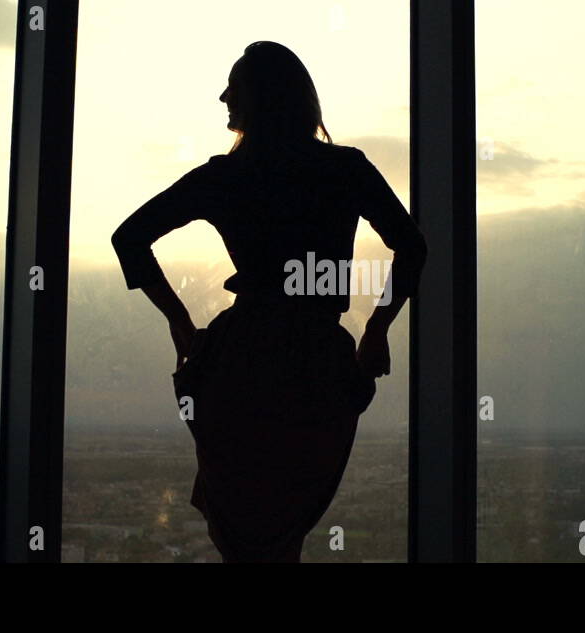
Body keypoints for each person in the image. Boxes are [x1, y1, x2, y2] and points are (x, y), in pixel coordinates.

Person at [111, 41, 427, 562]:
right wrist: (377, 328)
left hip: (240, 364)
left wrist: (179, 320)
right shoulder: (344, 169)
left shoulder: (224, 178)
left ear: (261, 96)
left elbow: (130, 238)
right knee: (282, 532)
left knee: (244, 537)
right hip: (316, 366)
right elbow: (411, 246)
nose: (222, 97)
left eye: (233, 86)